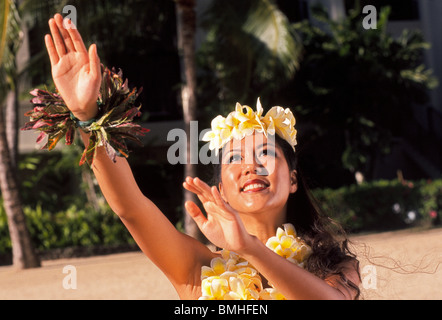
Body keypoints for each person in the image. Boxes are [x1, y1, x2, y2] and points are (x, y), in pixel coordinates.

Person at [43, 13, 360, 300]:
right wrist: (87, 116)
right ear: (220, 191)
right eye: (234, 159)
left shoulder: (335, 266)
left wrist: (248, 249)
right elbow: (131, 208)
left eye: (265, 153)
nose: (250, 166)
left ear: (292, 179)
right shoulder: (199, 268)